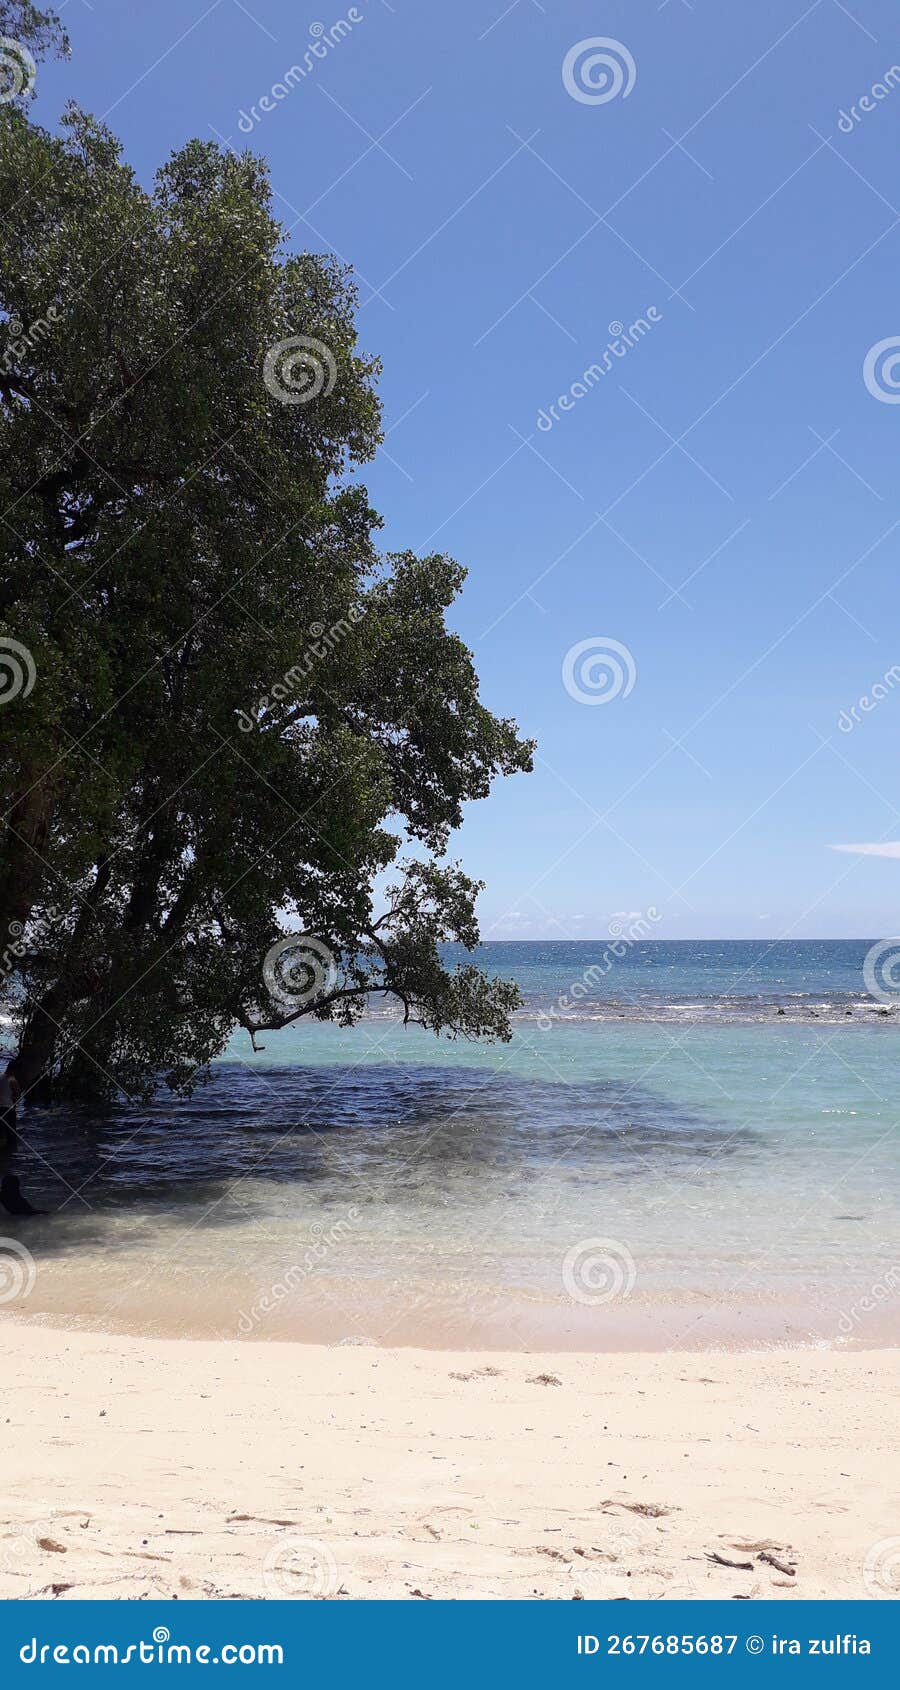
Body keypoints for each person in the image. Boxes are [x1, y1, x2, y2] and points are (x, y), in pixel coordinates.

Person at [0, 1069, 40, 1216]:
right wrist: (15, 1101)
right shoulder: (11, 1079)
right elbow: (17, 1094)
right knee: (11, 1140)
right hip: (7, 1110)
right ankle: (9, 1159)